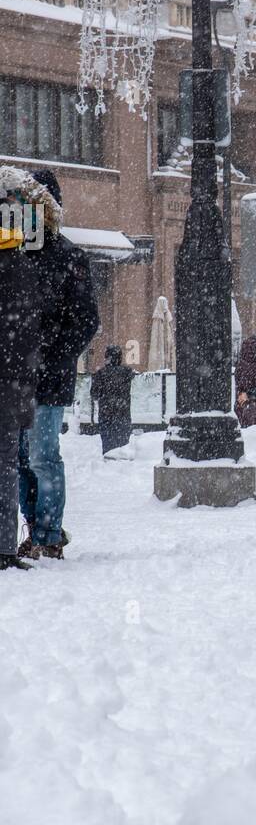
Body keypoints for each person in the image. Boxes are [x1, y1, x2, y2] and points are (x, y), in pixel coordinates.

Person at [17, 168, 99, 561]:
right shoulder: (14, 251)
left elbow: (85, 320)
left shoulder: (68, 257)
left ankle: (48, 533)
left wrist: (50, 353)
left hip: (46, 378)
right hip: (16, 377)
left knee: (40, 456)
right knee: (19, 459)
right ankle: (37, 527)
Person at [1, 168, 63, 571]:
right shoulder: (20, 265)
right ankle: (8, 546)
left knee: (21, 462)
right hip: (13, 381)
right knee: (11, 463)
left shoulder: (23, 264)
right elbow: (25, 331)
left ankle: (32, 537)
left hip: (16, 380)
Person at [90, 346, 136, 455]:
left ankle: (108, 460)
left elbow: (94, 394)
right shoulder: (127, 372)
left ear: (108, 357)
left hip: (106, 415)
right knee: (123, 446)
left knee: (108, 447)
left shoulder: (101, 374)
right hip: (123, 414)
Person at [234, 336, 256, 428]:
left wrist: (241, 394)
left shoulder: (240, 363)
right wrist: (250, 395)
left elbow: (238, 381)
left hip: (241, 402)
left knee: (242, 432)